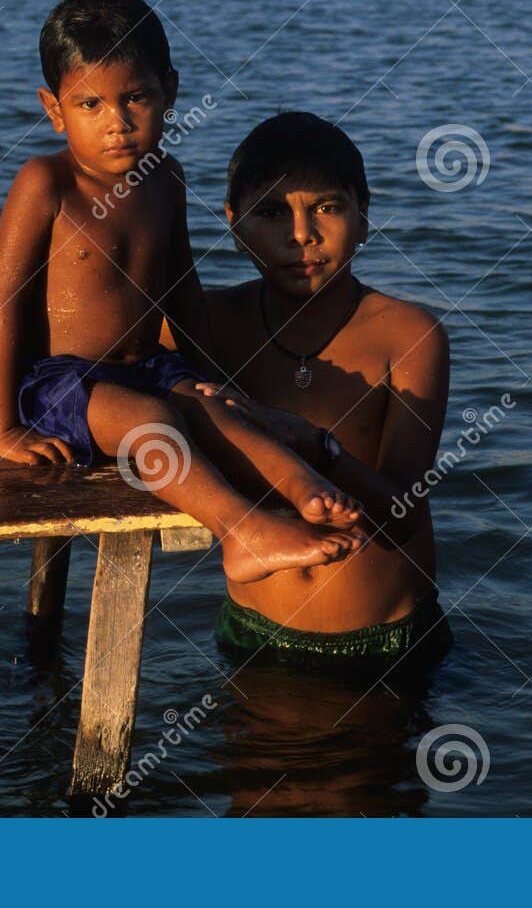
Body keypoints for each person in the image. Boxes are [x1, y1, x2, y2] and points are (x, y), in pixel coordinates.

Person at [0, 0, 366, 584]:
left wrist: (211, 375)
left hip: (148, 368)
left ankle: (305, 487)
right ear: (54, 110)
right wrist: (3, 425)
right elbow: (3, 302)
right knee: (150, 422)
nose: (118, 124)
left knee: (221, 413)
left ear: (170, 94)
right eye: (90, 106)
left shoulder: (166, 176)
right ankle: (241, 531)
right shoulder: (45, 184)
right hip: (63, 383)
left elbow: (181, 283)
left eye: (135, 98)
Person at [193, 112, 451, 668]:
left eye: (327, 209)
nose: (301, 234)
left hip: (383, 647)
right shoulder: (207, 324)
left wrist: (315, 447)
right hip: (253, 636)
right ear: (234, 226)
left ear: (364, 217)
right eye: (270, 213)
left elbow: (402, 514)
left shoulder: (407, 334)